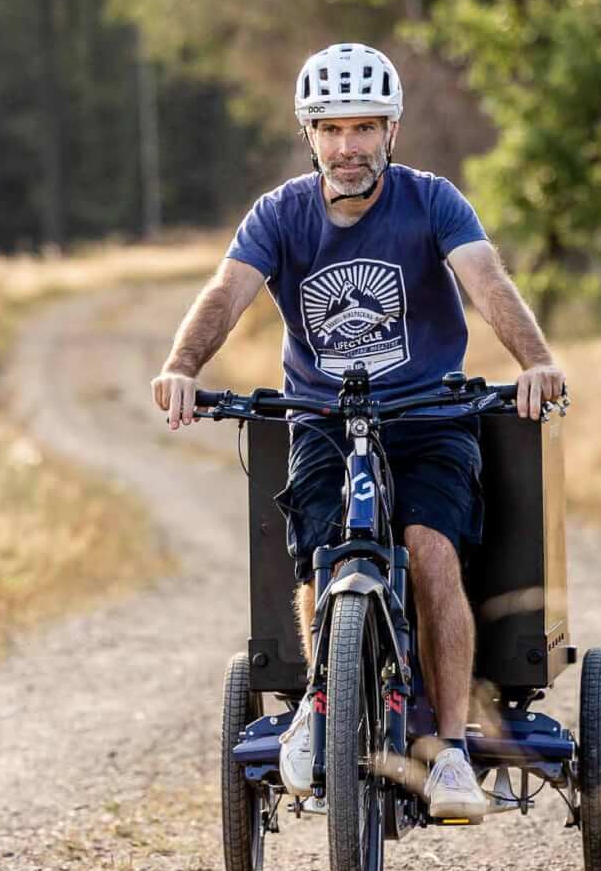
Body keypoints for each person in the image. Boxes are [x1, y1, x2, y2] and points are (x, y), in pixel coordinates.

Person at [149, 42, 566, 820]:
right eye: (333, 129)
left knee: (432, 550)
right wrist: (181, 365)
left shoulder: (433, 200)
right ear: (310, 134)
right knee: (318, 552)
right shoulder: (279, 214)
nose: (349, 147)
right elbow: (226, 292)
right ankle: (321, 706)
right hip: (325, 422)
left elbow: (487, 281)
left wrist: (537, 361)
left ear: (392, 131)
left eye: (366, 128)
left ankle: (445, 753)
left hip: (428, 417)